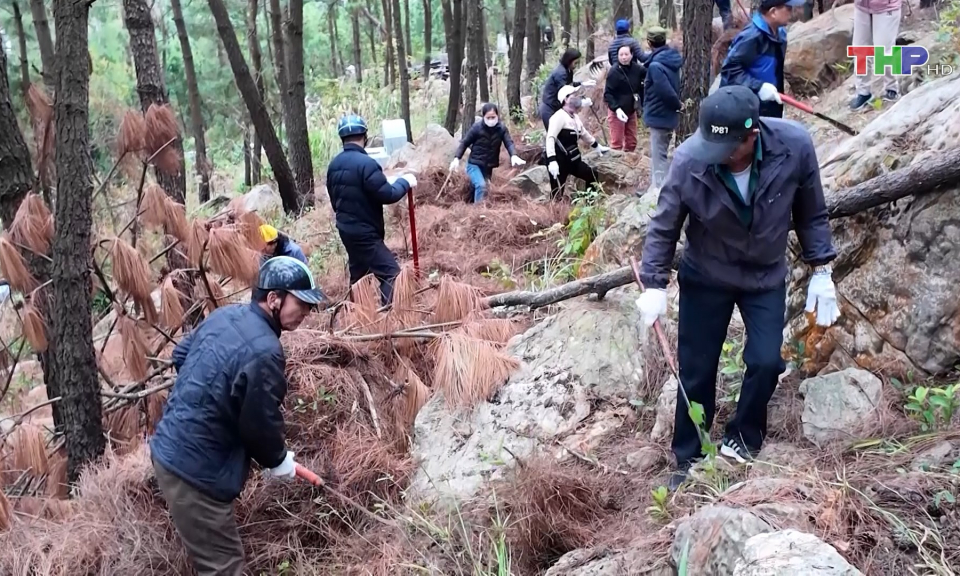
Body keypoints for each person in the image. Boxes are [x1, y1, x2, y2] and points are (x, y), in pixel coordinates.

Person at [635, 86, 840, 490]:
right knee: (696, 369)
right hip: (706, 275)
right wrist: (654, 283)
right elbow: (664, 224)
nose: (717, 154)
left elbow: (812, 213)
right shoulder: (690, 159)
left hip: (764, 276)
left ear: (752, 135)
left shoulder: (794, 146)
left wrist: (822, 269)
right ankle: (688, 455)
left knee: (766, 361)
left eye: (727, 147)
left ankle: (744, 436)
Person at [150, 256, 328, 575]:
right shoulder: (265, 351)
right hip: (195, 473)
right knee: (224, 567)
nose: (307, 312)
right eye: (301, 303)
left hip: (171, 450)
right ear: (274, 299)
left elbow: (181, 355)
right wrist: (277, 460)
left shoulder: (225, 315)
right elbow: (258, 423)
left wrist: (207, 396)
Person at [326, 114, 417, 305]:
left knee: (359, 276)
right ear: (364, 136)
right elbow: (388, 195)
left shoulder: (334, 165)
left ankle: (357, 315)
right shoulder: (367, 164)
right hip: (365, 233)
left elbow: (336, 200)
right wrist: (404, 181)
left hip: (346, 230)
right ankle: (388, 315)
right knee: (391, 274)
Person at [719, 0, 805, 118]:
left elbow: (776, 72)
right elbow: (729, 71)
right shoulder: (751, 37)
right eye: (788, 8)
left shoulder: (780, 35)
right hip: (746, 110)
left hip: (769, 106)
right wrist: (758, 87)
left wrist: (778, 107)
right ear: (773, 12)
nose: (791, 12)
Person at [450, 103, 526, 203]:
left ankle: (471, 202)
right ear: (483, 117)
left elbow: (509, 142)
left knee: (485, 189)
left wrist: (513, 155)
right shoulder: (477, 128)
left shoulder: (501, 129)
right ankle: (478, 209)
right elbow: (464, 143)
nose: (491, 120)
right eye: (488, 117)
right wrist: (457, 158)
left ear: (497, 116)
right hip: (474, 164)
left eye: (493, 117)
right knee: (481, 186)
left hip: (488, 166)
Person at [545, 85, 609, 200]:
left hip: (573, 160)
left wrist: (597, 146)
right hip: (559, 162)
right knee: (557, 192)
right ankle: (554, 209)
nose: (577, 97)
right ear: (566, 99)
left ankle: (589, 204)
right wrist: (552, 161)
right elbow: (550, 138)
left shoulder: (575, 117)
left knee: (592, 176)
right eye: (573, 95)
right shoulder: (558, 117)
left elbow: (584, 134)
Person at [641, 26, 683, 189]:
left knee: (659, 157)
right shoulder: (672, 59)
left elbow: (665, 91)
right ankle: (657, 187)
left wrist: (678, 105)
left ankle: (659, 191)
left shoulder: (655, 66)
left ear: (649, 42)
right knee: (662, 154)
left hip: (659, 117)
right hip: (669, 116)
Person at [850, 0, 903, 109]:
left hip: (886, 7)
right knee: (860, 49)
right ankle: (863, 92)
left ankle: (892, 88)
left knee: (883, 50)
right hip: (861, 6)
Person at [538, 48, 597, 130]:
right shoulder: (561, 73)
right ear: (569, 61)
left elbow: (569, 85)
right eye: (575, 63)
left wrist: (582, 84)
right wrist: (580, 103)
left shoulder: (568, 70)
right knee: (554, 133)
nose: (576, 66)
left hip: (557, 107)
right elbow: (565, 94)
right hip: (550, 108)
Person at [603, 44, 646, 153]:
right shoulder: (614, 72)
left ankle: (628, 160)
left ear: (632, 55)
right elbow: (608, 94)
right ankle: (615, 162)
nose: (624, 57)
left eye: (626, 54)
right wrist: (616, 109)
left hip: (631, 110)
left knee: (632, 142)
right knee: (617, 143)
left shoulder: (638, 69)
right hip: (616, 111)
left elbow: (648, 76)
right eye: (621, 55)